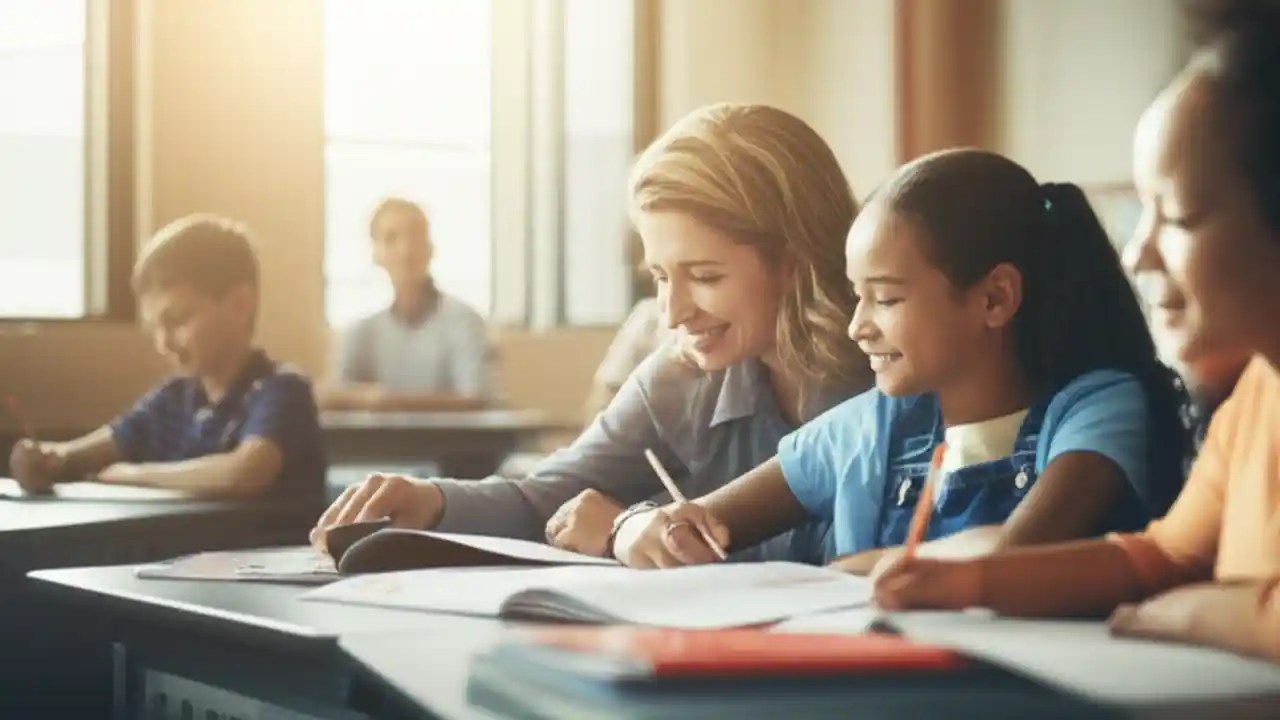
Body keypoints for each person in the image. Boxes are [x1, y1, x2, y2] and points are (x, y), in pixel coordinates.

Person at [872, 0, 1280, 663]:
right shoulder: (1258, 394)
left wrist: (1194, 611)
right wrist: (970, 582)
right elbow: (1165, 553)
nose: (1136, 254)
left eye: (1177, 217)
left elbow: (1200, 596)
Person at [310, 103, 874, 561]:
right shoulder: (680, 377)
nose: (673, 313)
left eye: (705, 276)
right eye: (658, 275)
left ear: (795, 259)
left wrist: (625, 526)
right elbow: (545, 499)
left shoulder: (891, 376)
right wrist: (430, 502)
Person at [613, 148, 1188, 573]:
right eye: (857, 295)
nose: (858, 325)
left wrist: (855, 568)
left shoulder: (1098, 408)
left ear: (995, 298)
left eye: (886, 298)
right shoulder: (870, 426)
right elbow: (699, 523)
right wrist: (641, 526)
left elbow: (1019, 553)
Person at [8, 214, 325, 499]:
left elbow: (245, 473)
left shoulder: (282, 390)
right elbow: (80, 455)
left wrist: (131, 475)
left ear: (239, 305)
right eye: (154, 327)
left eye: (177, 319)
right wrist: (47, 459)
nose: (163, 342)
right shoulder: (172, 399)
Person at [320, 198, 493, 411]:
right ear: (375, 253)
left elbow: (477, 399)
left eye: (416, 236)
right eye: (391, 239)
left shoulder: (465, 322)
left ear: (430, 248)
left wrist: (385, 401)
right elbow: (332, 400)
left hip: (454, 444)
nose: (405, 250)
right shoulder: (360, 333)